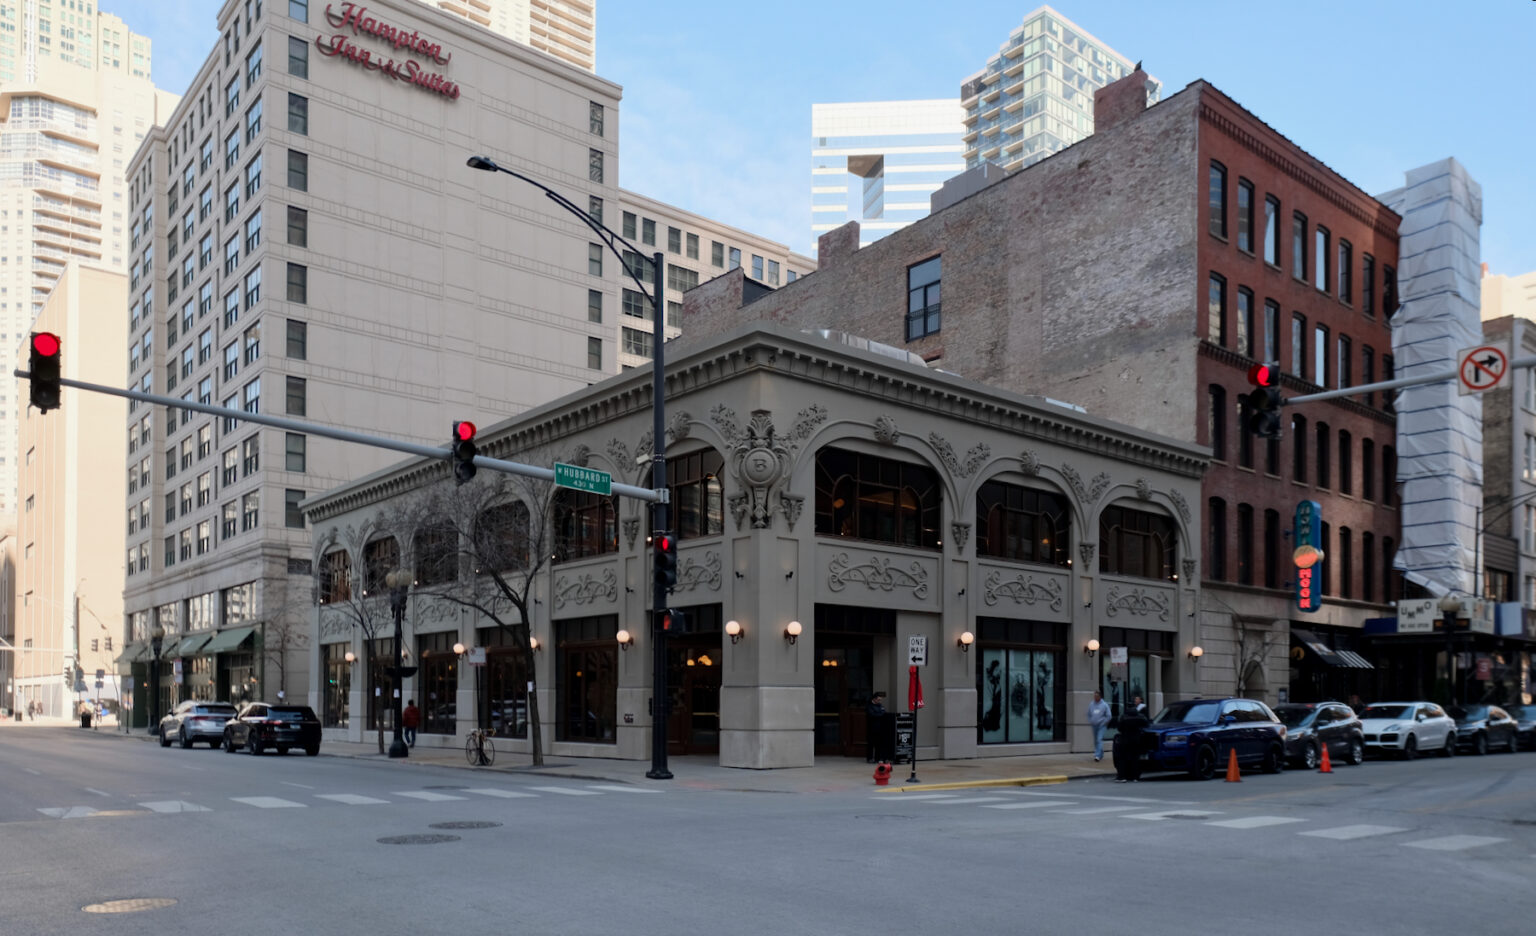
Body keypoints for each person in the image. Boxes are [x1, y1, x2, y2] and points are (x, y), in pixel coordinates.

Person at [1113, 704, 1150, 782]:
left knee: (1122, 758)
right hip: (1136, 740)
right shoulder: (1141, 717)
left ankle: (1122, 776)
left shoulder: (1123, 717)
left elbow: (1119, 728)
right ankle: (1135, 777)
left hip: (1125, 739)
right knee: (1135, 758)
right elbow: (1147, 725)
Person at [1087, 690, 1112, 762]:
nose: (1095, 697)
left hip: (1102, 726)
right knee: (1096, 741)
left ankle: (1097, 755)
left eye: (1097, 696)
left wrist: (1104, 722)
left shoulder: (1104, 705)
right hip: (1094, 725)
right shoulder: (1091, 704)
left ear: (1100, 697)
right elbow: (1089, 714)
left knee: (1099, 739)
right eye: (1094, 696)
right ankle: (1101, 753)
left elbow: (1109, 716)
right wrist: (1091, 721)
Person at [866, 692, 887, 763]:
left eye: (880, 700)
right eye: (878, 700)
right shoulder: (869, 706)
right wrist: (880, 714)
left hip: (879, 727)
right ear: (874, 699)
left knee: (878, 743)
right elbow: (872, 715)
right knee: (871, 743)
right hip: (872, 727)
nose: (879, 701)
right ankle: (869, 758)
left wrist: (879, 714)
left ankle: (877, 758)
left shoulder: (880, 705)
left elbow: (884, 712)